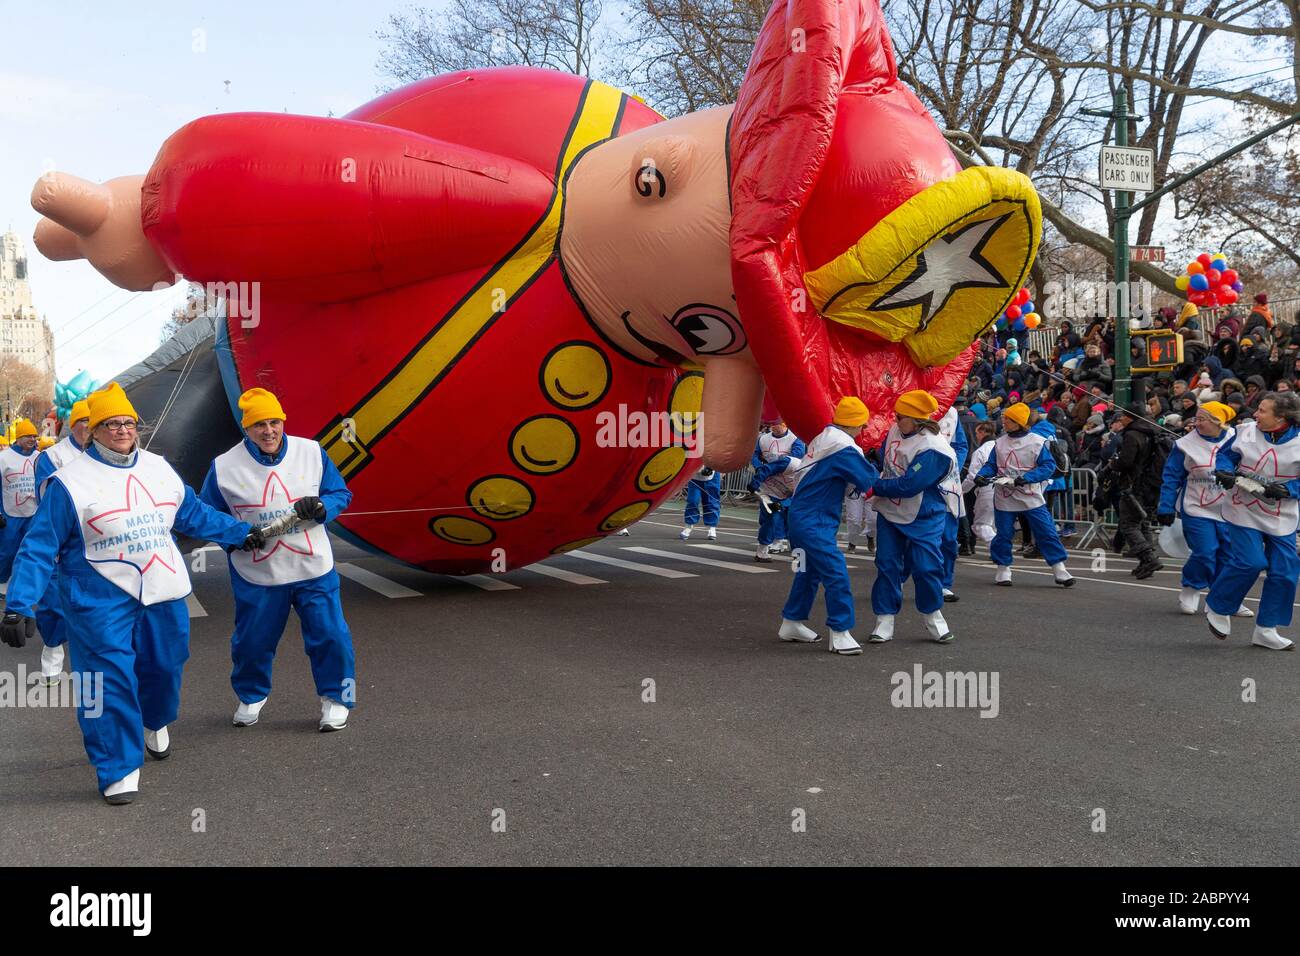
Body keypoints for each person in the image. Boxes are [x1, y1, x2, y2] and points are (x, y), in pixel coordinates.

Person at [0, 384, 261, 804]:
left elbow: (193, 513)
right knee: (105, 682)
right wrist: (19, 603)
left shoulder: (158, 468)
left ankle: (154, 720)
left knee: (164, 669)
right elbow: (39, 545)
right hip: (96, 598)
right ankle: (117, 767)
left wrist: (243, 533)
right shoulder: (67, 483)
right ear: (93, 431)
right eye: (110, 424)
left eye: (127, 422)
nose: (121, 429)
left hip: (163, 589)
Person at [200, 388, 356, 730]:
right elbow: (205, 513)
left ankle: (338, 698)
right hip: (259, 571)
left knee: (331, 634)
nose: (268, 431)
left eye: (274, 422)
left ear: (283, 421)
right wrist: (236, 535)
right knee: (252, 641)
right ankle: (251, 694)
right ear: (246, 428)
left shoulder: (311, 452)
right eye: (258, 425)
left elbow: (340, 493)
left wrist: (322, 508)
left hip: (313, 566)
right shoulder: (224, 466)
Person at [777, 397, 878, 656]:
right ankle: (840, 631)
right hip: (815, 522)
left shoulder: (823, 438)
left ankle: (791, 622)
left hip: (801, 519)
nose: (863, 431)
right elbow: (868, 480)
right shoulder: (843, 447)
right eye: (863, 426)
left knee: (807, 572)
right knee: (836, 573)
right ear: (857, 425)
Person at [1204, 392, 1300, 650]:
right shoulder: (1244, 432)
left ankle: (1266, 629)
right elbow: (1224, 457)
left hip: (1282, 514)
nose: (1255, 414)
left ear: (1281, 417)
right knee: (1251, 561)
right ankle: (1218, 605)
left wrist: (1290, 490)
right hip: (1242, 508)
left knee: (1286, 572)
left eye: (1262, 410)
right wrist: (1223, 470)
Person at [869, 391, 958, 643]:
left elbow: (910, 485)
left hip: (924, 513)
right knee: (887, 564)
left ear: (917, 420)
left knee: (926, 567)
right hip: (890, 509)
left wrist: (873, 486)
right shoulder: (896, 430)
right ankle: (884, 619)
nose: (895, 420)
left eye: (900, 417)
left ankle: (933, 616)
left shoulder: (935, 449)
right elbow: (886, 460)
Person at [1156, 402, 1253, 618]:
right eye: (1196, 419)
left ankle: (1225, 599)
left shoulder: (1236, 439)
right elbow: (1172, 476)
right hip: (1197, 507)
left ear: (1218, 421)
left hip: (1229, 509)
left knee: (1229, 556)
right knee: (1205, 551)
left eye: (1202, 419)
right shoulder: (1184, 445)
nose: (1196, 423)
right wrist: (1166, 505)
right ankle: (1191, 587)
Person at [973, 402, 1074, 587]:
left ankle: (1059, 567)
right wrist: (982, 475)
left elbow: (1048, 466)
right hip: (1004, 496)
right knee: (1003, 534)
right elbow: (991, 465)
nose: (1003, 422)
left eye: (1008, 419)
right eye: (1003, 418)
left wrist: (1027, 478)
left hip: (1030, 495)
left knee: (1046, 531)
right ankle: (1003, 568)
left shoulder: (1037, 441)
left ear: (1018, 422)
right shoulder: (999, 443)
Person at [29, 400, 92, 684]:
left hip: (99, 541)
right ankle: (53, 653)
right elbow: (46, 503)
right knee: (53, 601)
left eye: (95, 421)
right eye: (84, 422)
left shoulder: (111, 453)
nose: (89, 428)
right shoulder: (52, 457)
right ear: (71, 425)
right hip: (64, 540)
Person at [1107, 404, 1164, 580]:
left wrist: (1112, 464)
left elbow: (1126, 461)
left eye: (1123, 416)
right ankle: (1146, 561)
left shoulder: (1133, 434)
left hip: (1134, 483)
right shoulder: (1154, 431)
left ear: (1131, 417)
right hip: (1152, 483)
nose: (1121, 419)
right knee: (1143, 522)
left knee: (1129, 524)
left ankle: (1148, 558)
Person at [750, 419, 805, 561]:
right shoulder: (788, 462)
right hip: (770, 485)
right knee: (769, 518)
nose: (774, 427)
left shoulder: (795, 442)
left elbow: (800, 496)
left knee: (795, 520)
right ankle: (762, 550)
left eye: (777, 423)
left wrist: (783, 504)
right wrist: (756, 478)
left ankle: (797, 551)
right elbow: (767, 465)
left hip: (790, 488)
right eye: (772, 424)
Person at [936, 401, 969, 600]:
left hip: (947, 484)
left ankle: (943, 583)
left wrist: (951, 464)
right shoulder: (908, 405)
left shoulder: (952, 413)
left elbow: (960, 445)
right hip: (916, 482)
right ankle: (899, 577)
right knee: (909, 540)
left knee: (948, 538)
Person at [962, 421, 998, 545]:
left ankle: (1000, 550)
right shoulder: (1002, 445)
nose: (976, 436)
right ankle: (997, 553)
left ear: (982, 433)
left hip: (987, 488)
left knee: (981, 525)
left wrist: (961, 490)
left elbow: (973, 476)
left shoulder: (981, 451)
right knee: (993, 525)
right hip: (1004, 488)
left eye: (977, 433)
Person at [680, 464, 721, 540]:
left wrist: (711, 467)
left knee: (712, 502)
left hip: (712, 476)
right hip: (694, 476)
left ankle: (712, 528)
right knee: (693, 500)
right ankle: (688, 526)